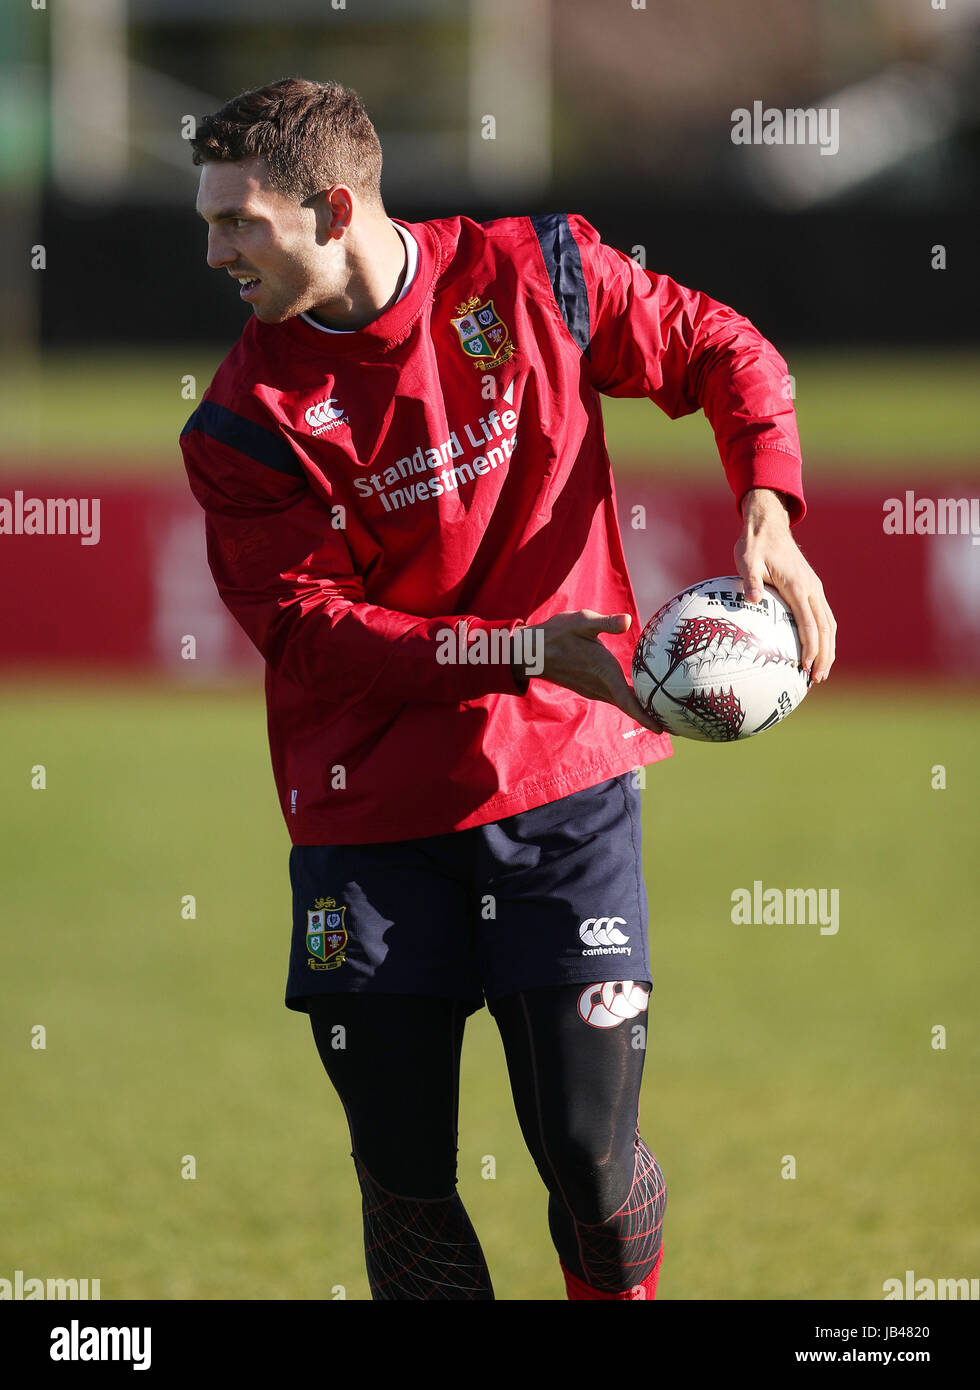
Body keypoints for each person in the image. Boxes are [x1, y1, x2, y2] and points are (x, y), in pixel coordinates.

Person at [179, 77, 836, 1302]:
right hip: (365, 822)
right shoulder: (241, 421)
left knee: (587, 1158)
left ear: (333, 207)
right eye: (209, 223)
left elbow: (716, 346)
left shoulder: (536, 271)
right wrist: (524, 649)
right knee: (407, 1180)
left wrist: (767, 498)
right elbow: (313, 635)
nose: (214, 251)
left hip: (563, 793)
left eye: (237, 224)